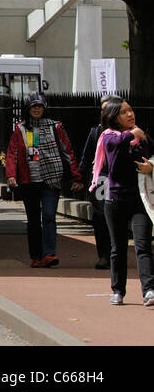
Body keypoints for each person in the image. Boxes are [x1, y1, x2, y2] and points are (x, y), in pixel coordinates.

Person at [5, 94, 83, 269]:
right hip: (28, 181)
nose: (37, 109)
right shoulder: (21, 129)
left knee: (48, 216)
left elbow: (67, 151)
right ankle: (36, 256)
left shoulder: (56, 127)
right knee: (33, 220)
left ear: (45, 108)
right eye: (33, 106)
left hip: (51, 179)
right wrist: (11, 175)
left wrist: (76, 176)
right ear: (28, 109)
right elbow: (12, 153)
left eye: (39, 106)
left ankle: (49, 253)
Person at [94, 98, 154, 305]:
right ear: (113, 117)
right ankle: (118, 290)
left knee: (143, 244)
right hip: (115, 199)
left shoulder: (142, 136)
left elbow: (152, 155)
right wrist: (132, 134)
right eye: (124, 112)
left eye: (131, 110)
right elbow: (115, 150)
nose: (130, 114)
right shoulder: (108, 137)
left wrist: (151, 167)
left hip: (140, 198)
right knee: (117, 247)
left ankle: (149, 290)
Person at [81, 94, 122, 270]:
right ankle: (104, 255)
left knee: (119, 217)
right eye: (103, 109)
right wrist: (79, 178)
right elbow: (87, 156)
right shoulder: (96, 131)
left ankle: (117, 252)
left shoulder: (127, 132)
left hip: (120, 180)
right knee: (100, 216)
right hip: (102, 179)